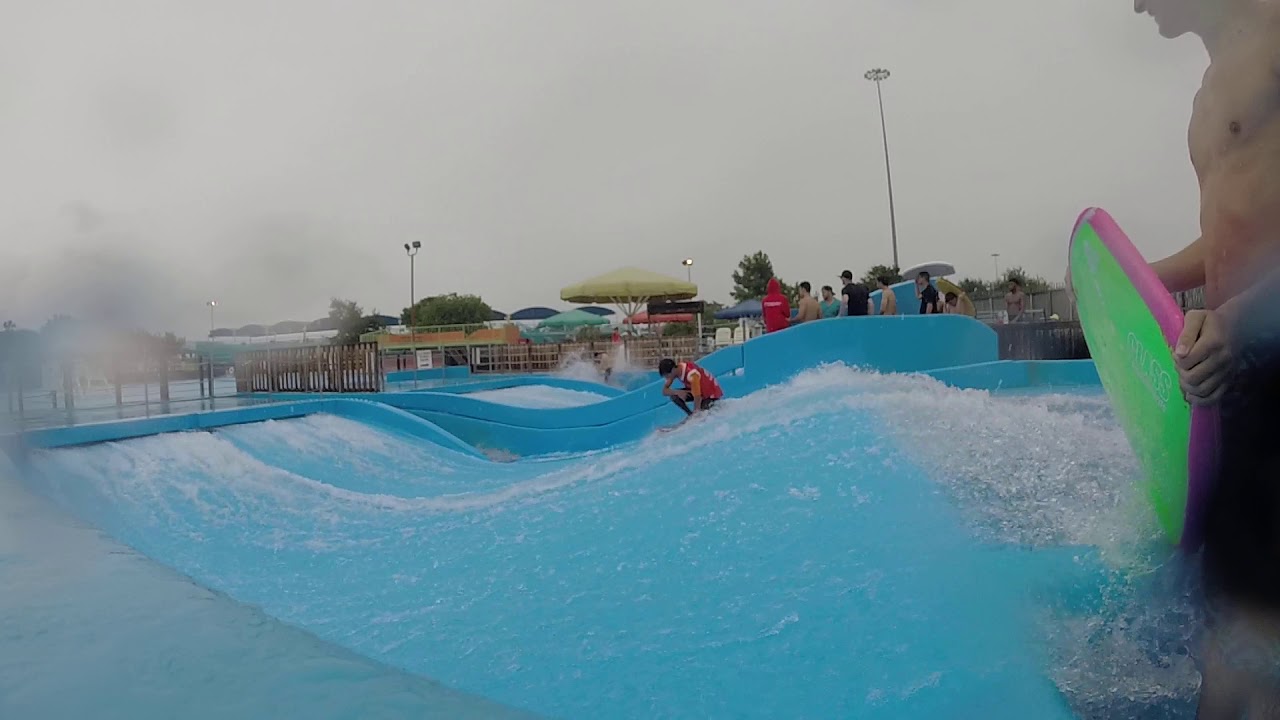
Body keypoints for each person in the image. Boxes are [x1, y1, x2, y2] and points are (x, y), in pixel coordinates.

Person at [1086, 1, 1280, 715]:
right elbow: (1232, 231)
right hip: (1235, 372)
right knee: (1223, 618)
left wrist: (1238, 318)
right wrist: (1131, 278)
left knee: (1250, 639)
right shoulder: (1210, 88)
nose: (1134, 3)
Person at [658, 357, 723, 416]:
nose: (667, 378)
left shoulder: (692, 374)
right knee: (674, 396)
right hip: (698, 391)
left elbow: (697, 396)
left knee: (702, 414)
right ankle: (690, 415)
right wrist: (678, 392)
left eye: (667, 376)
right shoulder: (676, 370)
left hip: (711, 394)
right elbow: (664, 391)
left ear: (672, 370)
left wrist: (696, 412)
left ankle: (694, 415)